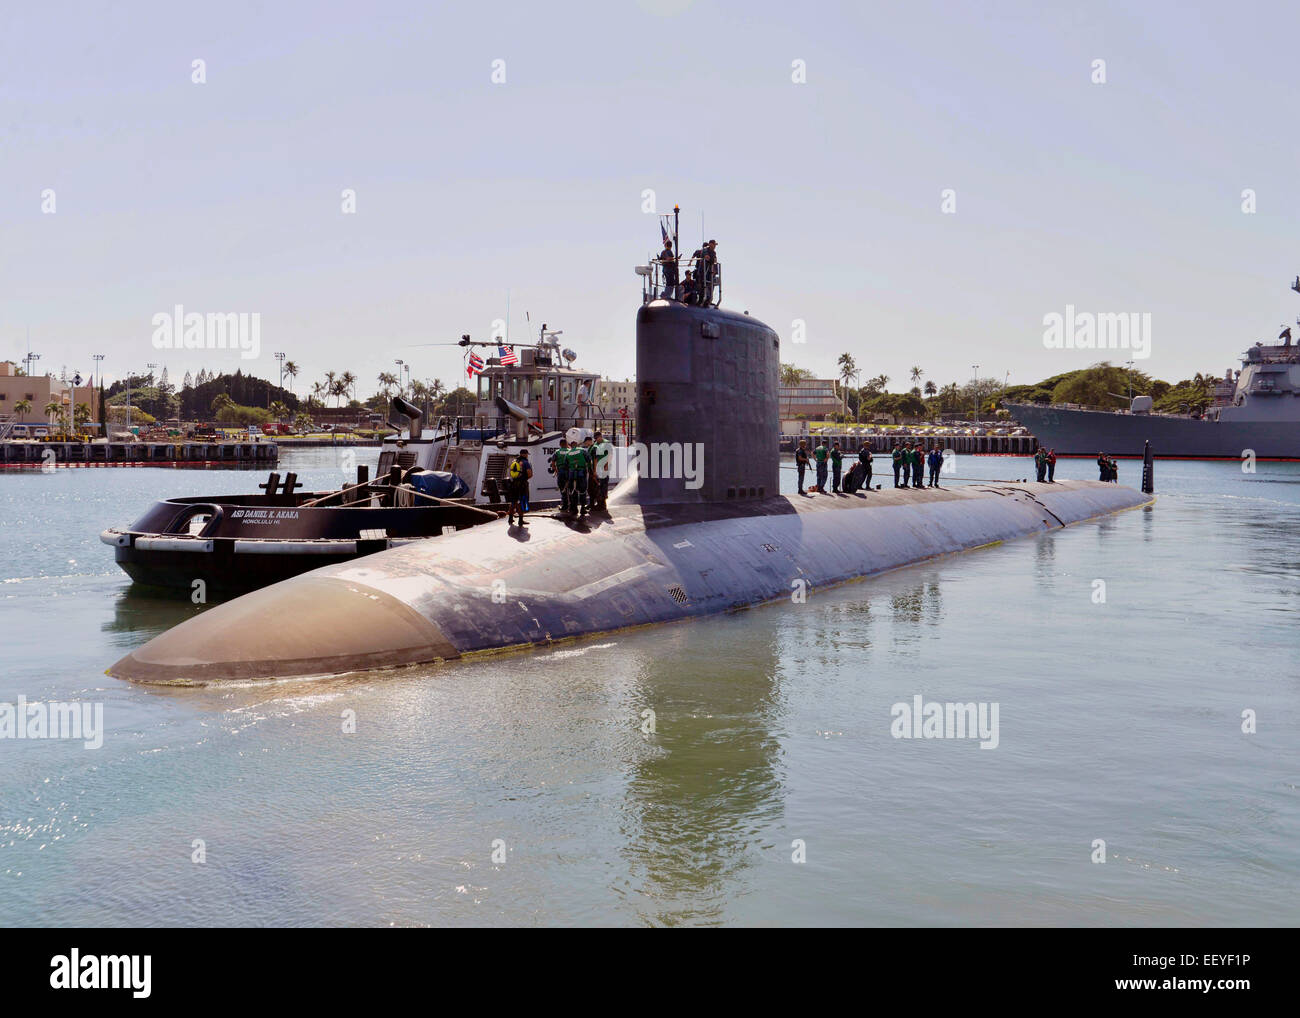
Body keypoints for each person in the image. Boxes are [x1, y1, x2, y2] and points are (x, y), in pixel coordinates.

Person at [506, 448, 532, 525]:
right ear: (525, 454)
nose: (527, 456)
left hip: (514, 484)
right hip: (522, 485)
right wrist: (525, 478)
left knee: (513, 501)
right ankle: (521, 520)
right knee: (522, 501)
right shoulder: (526, 462)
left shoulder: (514, 461)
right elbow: (530, 474)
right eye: (527, 454)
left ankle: (510, 518)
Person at [590, 430, 612, 510]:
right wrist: (594, 470)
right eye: (595, 438)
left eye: (597, 438)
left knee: (603, 485)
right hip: (598, 467)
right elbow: (595, 458)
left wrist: (606, 465)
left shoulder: (607, 443)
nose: (596, 440)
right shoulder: (596, 444)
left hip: (604, 467)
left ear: (600, 436)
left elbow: (610, 455)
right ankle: (600, 503)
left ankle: (602, 504)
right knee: (598, 485)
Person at [567, 439, 590, 516]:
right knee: (583, 491)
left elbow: (565, 464)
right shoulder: (582, 450)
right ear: (576, 444)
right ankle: (583, 508)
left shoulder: (568, 453)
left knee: (573, 490)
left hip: (572, 473)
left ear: (570, 445)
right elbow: (589, 459)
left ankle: (574, 509)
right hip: (581, 472)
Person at [552, 438, 570, 512]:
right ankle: (572, 506)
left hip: (561, 472)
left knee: (563, 489)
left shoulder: (557, 452)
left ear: (560, 444)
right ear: (566, 444)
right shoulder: (570, 451)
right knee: (571, 488)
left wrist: (556, 470)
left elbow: (553, 464)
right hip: (570, 472)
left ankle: (565, 506)